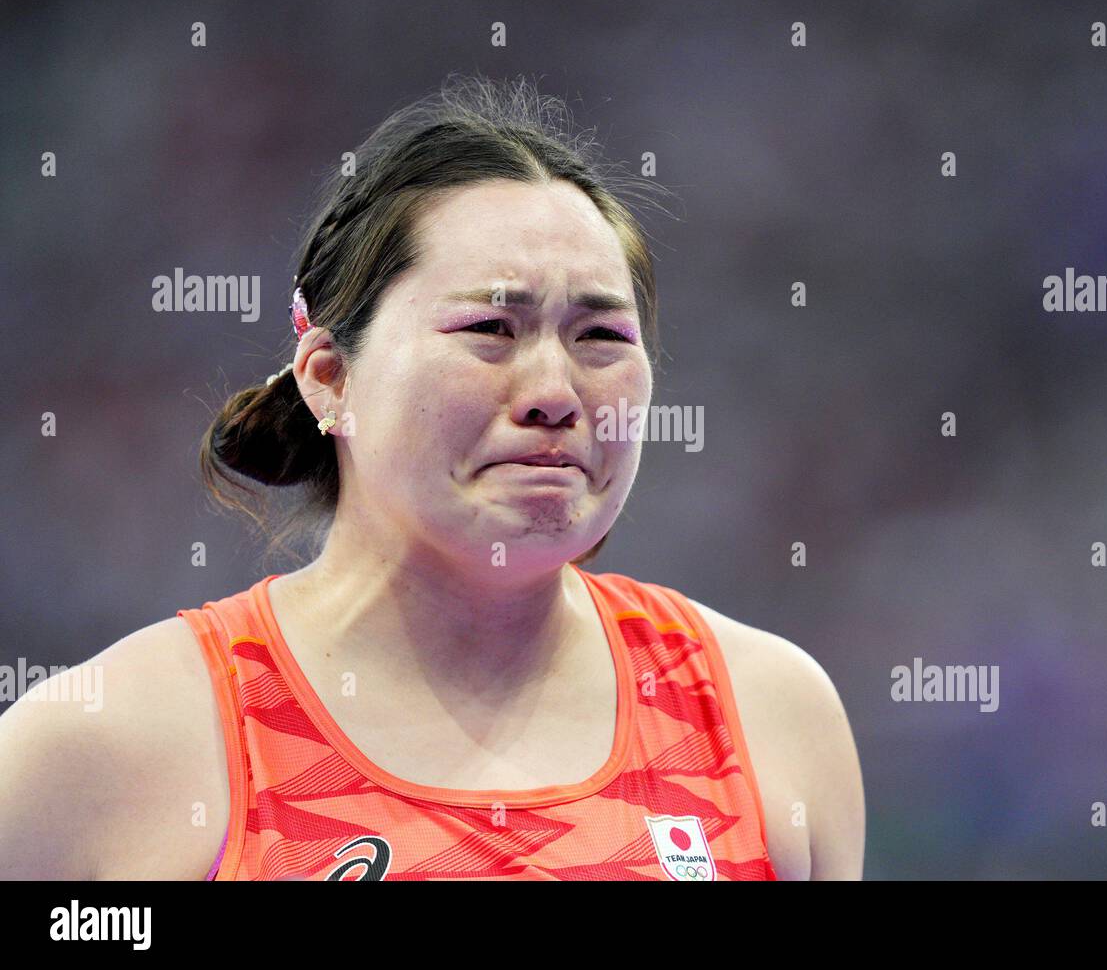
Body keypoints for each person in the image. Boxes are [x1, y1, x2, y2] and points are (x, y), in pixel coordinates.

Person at [0, 74, 864, 881]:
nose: (557, 395)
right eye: (491, 326)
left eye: (600, 337)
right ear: (329, 377)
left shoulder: (768, 717)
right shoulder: (103, 748)